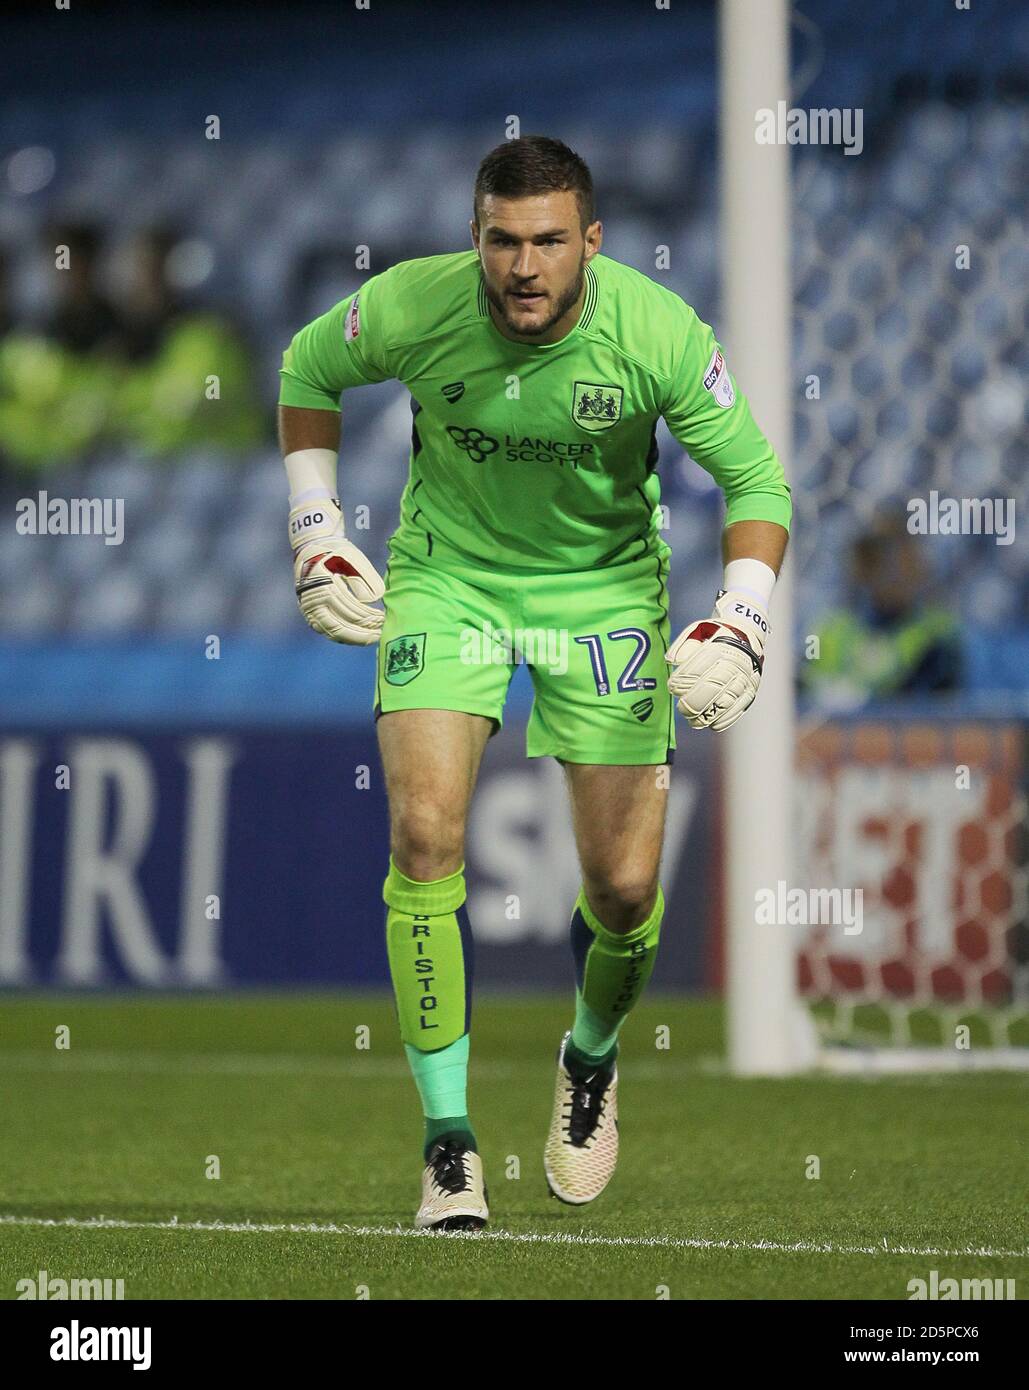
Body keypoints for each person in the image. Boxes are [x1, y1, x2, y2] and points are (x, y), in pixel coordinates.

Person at [277, 136, 791, 1231]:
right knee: (423, 834)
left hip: (603, 597)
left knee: (624, 892)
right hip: (448, 581)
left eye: (549, 241)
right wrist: (314, 522)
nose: (523, 264)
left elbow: (756, 479)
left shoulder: (655, 330)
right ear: (476, 239)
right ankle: (449, 1146)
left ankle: (590, 1057)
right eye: (503, 241)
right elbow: (305, 370)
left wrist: (742, 618)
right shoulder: (413, 305)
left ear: (590, 244)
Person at [802, 511, 961, 704]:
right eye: (877, 559)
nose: (891, 571)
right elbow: (807, 688)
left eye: (901, 560)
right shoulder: (830, 630)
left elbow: (933, 703)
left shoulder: (937, 634)